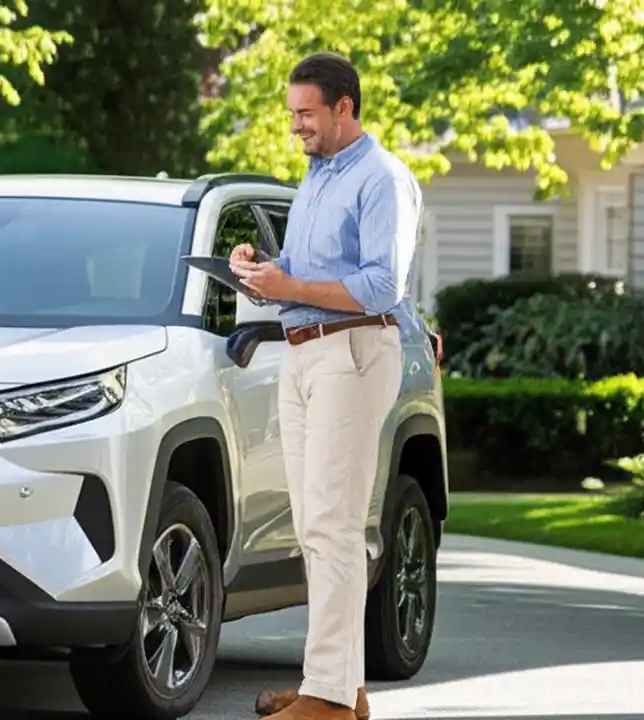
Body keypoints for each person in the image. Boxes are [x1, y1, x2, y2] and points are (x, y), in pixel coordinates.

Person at [229, 52, 422, 720]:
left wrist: (291, 287)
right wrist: (264, 271)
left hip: (354, 352)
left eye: (306, 113)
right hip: (305, 354)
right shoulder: (316, 177)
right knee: (315, 527)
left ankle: (328, 699)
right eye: (292, 114)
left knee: (335, 526)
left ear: (345, 107)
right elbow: (313, 275)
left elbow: (381, 286)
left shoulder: (382, 178)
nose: (296, 127)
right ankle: (342, 686)